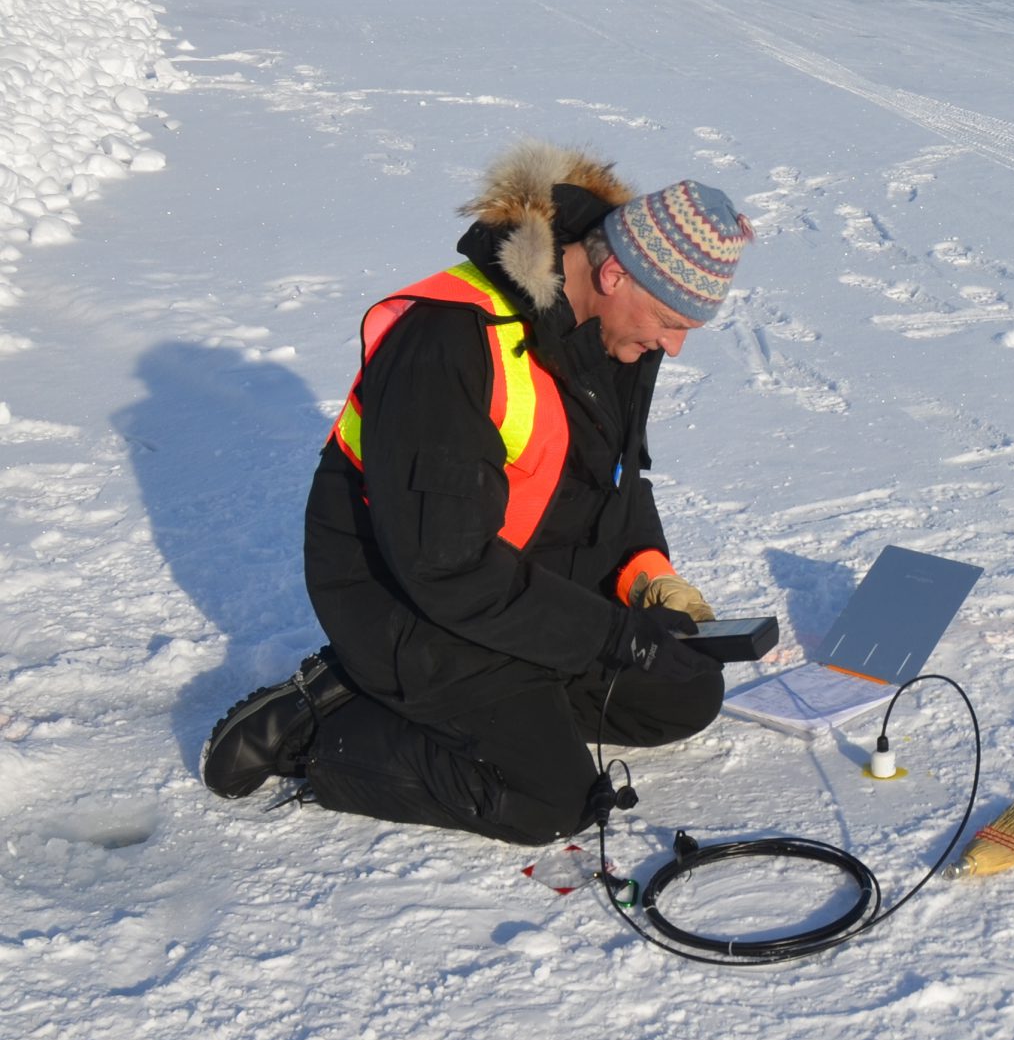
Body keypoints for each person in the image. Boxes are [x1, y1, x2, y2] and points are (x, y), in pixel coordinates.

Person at [201, 141, 755, 844]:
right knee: (550, 799)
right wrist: (613, 638)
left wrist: (649, 576)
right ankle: (328, 720)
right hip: (405, 598)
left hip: (516, 580)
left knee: (685, 693)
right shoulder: (452, 340)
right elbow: (444, 565)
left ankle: (510, 706)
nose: (674, 348)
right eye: (672, 323)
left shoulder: (612, 332)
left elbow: (615, 480)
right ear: (614, 274)